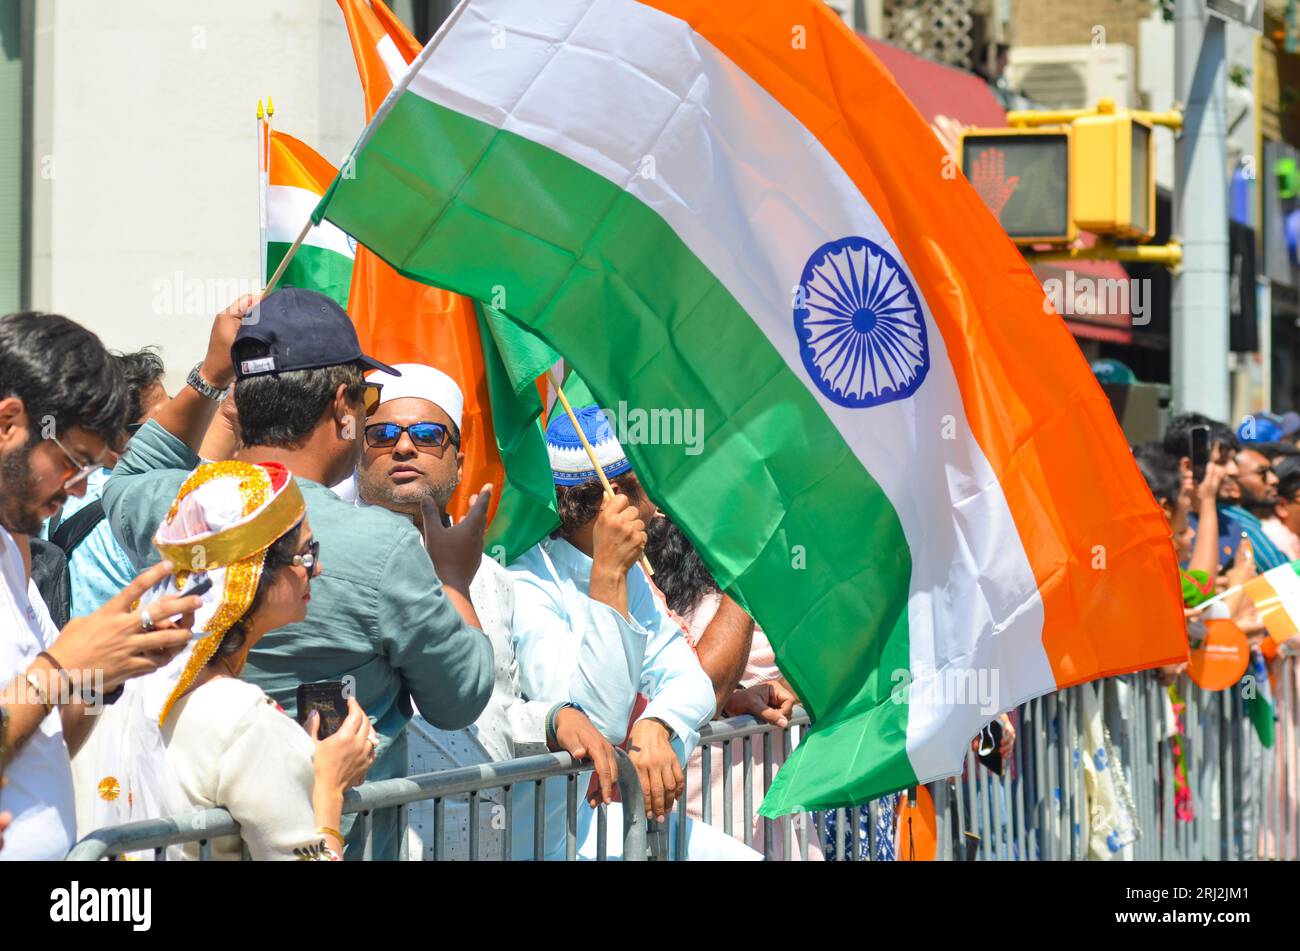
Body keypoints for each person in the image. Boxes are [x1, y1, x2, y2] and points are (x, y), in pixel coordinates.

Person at [100, 291, 494, 859]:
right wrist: (453, 578)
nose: (315, 567)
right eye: (368, 398)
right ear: (342, 406)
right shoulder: (382, 545)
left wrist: (210, 373)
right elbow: (458, 700)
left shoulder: (183, 504)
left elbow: (129, 476)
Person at [350, 363, 618, 859]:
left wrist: (553, 719)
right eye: (382, 433)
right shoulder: (324, 559)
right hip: (376, 835)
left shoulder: (491, 579)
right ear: (357, 452)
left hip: (477, 836)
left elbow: (491, 712)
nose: (403, 447)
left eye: (428, 435)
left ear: (458, 458)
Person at [78, 461, 376, 860]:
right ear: (250, 572)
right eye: (306, 554)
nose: (317, 569)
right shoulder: (244, 720)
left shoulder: (109, 685)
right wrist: (328, 786)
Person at [509, 406, 756, 859]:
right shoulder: (527, 583)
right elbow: (594, 724)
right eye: (648, 488)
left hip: (626, 825)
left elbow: (690, 680)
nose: (658, 507)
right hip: (560, 838)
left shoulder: (634, 577)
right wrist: (607, 579)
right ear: (614, 496)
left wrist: (656, 725)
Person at [0, 310, 198, 859]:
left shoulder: (12, 550)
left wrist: (105, 668)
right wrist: (60, 666)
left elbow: (47, 741)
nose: (82, 487)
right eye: (73, 462)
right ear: (8, 423)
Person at [43, 348, 170, 619]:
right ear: (118, 435)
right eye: (164, 422)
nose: (178, 428)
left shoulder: (47, 497)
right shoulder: (149, 504)